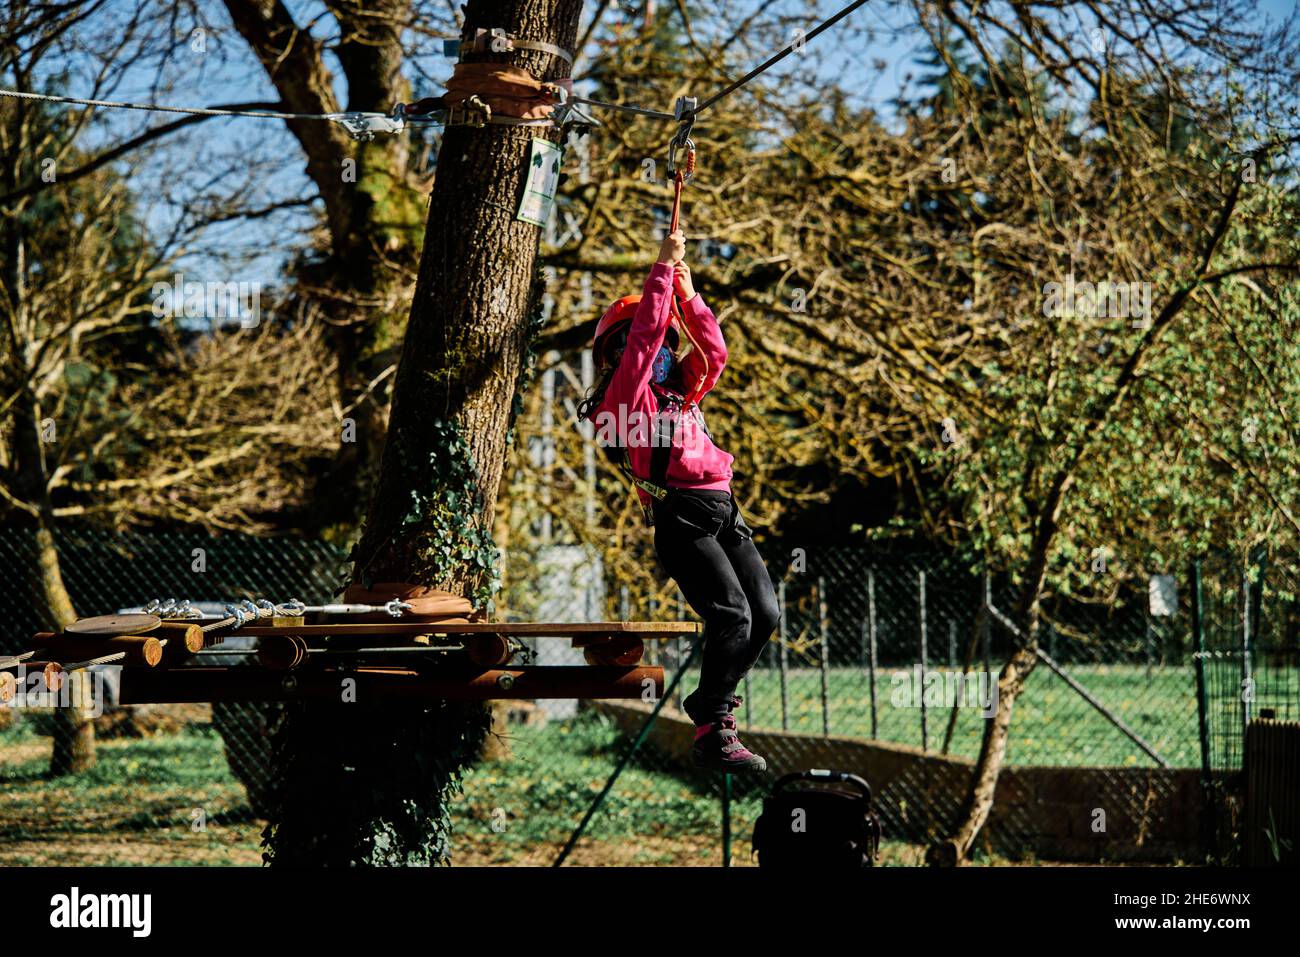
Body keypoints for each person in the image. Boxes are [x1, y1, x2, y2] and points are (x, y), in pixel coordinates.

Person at [577, 229, 780, 774]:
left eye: (669, 343)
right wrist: (661, 272)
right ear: (614, 358)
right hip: (683, 518)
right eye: (633, 347)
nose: (657, 352)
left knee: (764, 613)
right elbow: (642, 342)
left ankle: (711, 703)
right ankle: (714, 723)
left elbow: (714, 353)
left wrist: (688, 297)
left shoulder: (681, 391)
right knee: (731, 614)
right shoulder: (628, 397)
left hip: (724, 512)